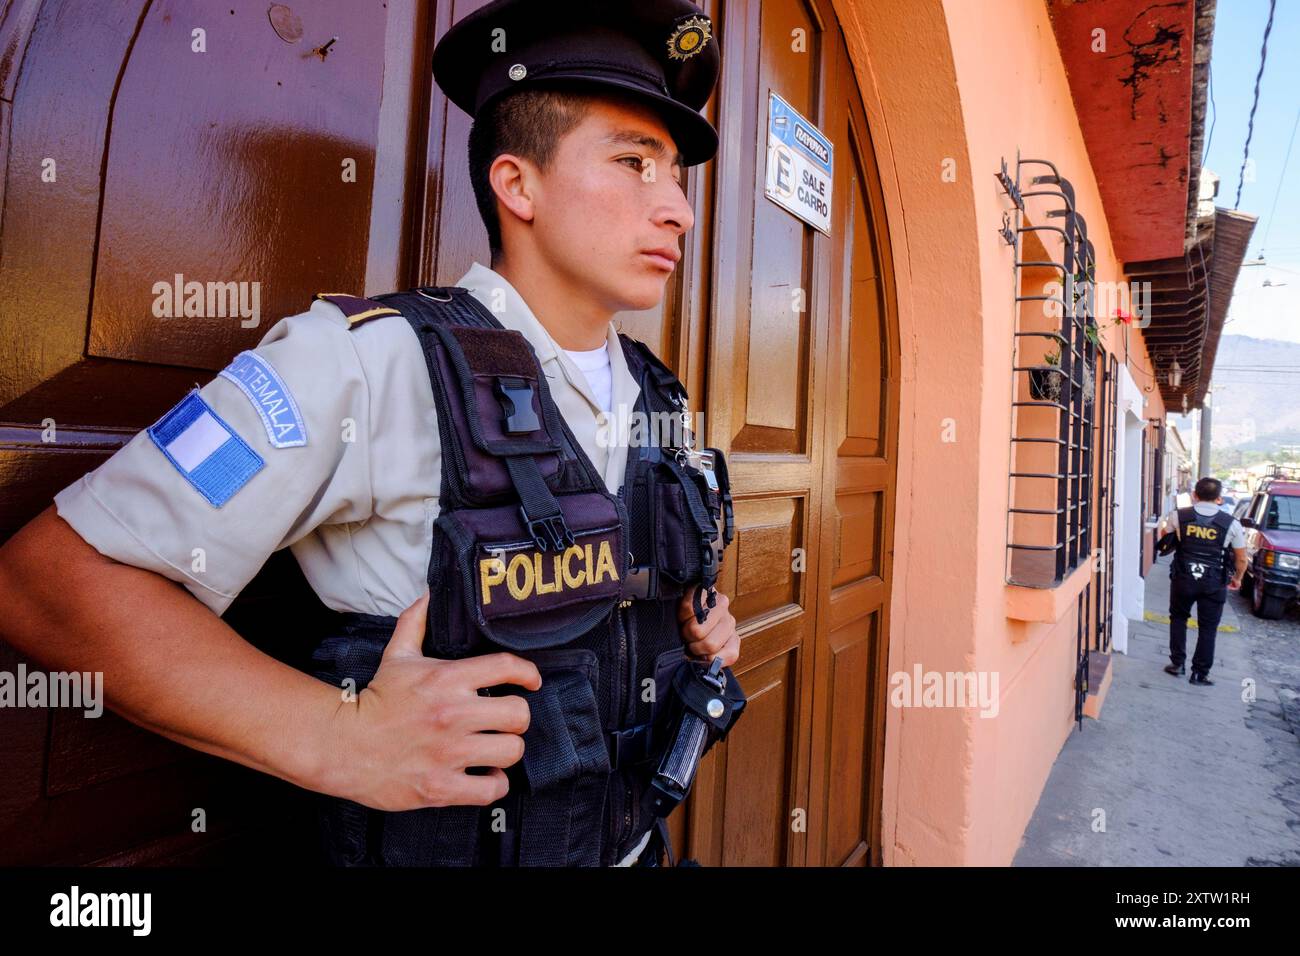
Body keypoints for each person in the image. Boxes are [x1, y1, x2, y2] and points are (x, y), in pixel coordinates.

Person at [0, 0, 742, 867]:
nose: (679, 213)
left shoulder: (656, 389)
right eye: (633, 163)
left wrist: (688, 622)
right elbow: (51, 584)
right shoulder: (368, 363)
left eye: (676, 179)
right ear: (518, 184)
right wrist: (340, 737)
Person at [1155, 477, 1247, 686]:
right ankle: (1200, 673)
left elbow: (1164, 536)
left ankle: (1177, 663)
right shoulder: (1231, 524)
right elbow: (1241, 558)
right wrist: (1238, 579)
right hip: (1214, 582)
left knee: (1178, 618)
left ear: (1195, 495)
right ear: (1219, 499)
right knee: (1208, 627)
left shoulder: (1179, 516)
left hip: (1183, 577)